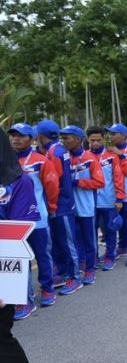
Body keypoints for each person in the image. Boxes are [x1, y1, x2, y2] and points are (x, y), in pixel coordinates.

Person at [0, 128, 43, 363]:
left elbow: (16, 236)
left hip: (2, 271)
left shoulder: (18, 182)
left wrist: (5, 286)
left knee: (0, 334)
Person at [8, 124, 59, 316]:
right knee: (19, 260)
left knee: (42, 255)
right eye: (13, 135)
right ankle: (24, 299)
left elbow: (52, 186)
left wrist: (51, 208)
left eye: (21, 136)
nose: (16, 139)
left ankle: (47, 289)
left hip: (37, 218)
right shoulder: (7, 162)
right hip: (13, 221)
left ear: (32, 139)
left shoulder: (41, 161)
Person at [60, 126, 105, 290]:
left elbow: (100, 182)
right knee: (75, 239)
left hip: (86, 206)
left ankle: (90, 268)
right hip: (68, 208)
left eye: (67, 138)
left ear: (78, 139)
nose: (63, 141)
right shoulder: (63, 157)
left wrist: (78, 182)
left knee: (89, 239)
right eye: (62, 138)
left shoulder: (90, 158)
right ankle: (79, 265)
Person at [36, 120, 78, 289]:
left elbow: (53, 182)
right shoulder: (60, 150)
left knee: (67, 242)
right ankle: (63, 274)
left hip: (60, 204)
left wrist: (51, 205)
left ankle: (74, 277)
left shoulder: (54, 154)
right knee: (60, 241)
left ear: (40, 136)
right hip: (62, 202)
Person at [87, 126, 126, 272]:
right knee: (91, 231)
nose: (96, 143)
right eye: (92, 141)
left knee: (110, 230)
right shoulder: (85, 157)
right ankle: (94, 257)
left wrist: (119, 198)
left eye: (98, 140)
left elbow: (118, 178)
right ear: (88, 140)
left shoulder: (111, 156)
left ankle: (110, 256)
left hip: (109, 199)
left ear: (103, 139)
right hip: (90, 201)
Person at [106, 124, 127, 266]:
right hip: (110, 195)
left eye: (114, 134)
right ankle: (117, 249)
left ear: (123, 136)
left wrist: (121, 155)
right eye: (110, 134)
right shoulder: (107, 151)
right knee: (112, 225)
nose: (110, 136)